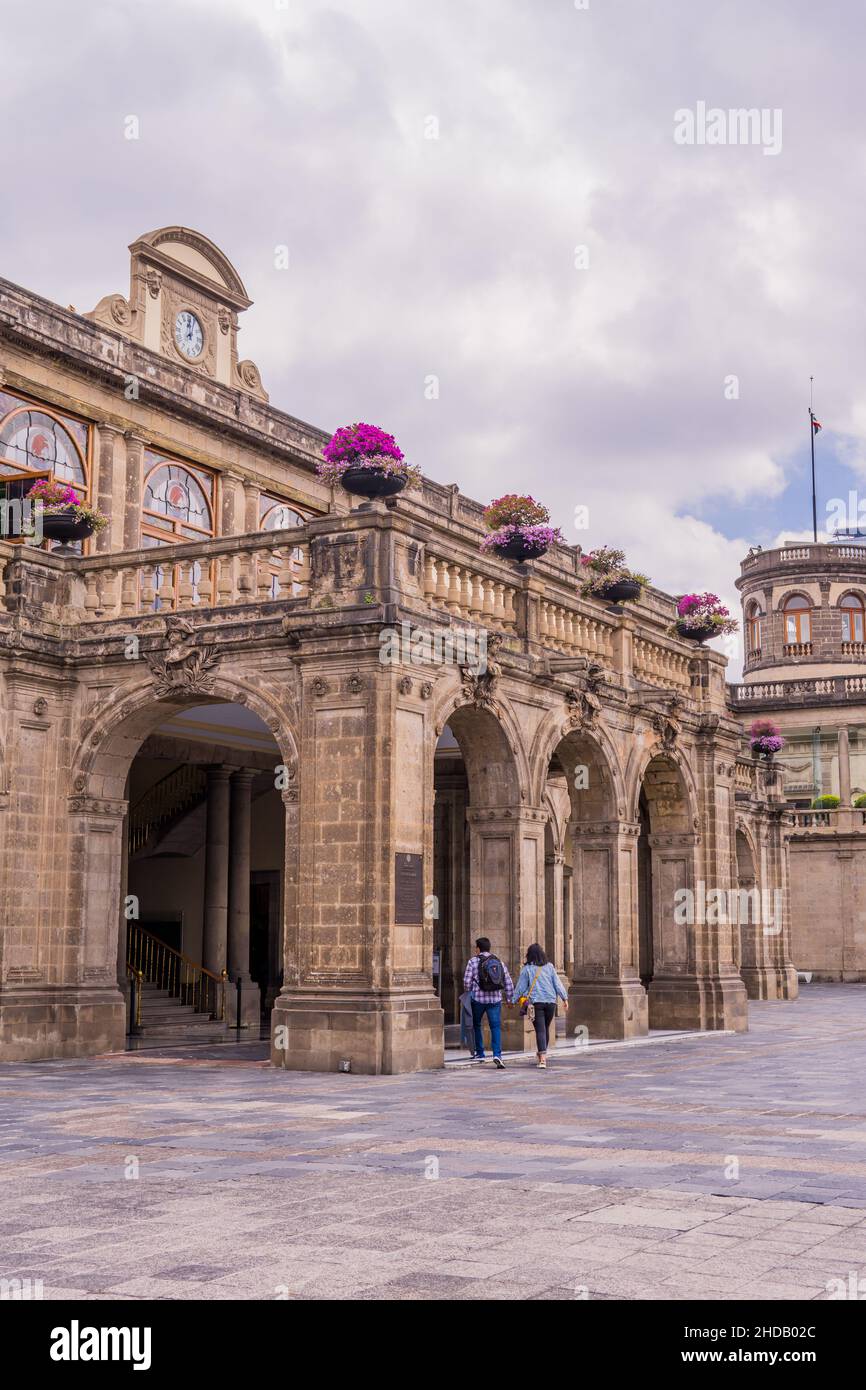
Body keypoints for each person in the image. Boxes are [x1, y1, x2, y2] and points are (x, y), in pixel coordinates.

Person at [511, 943, 568, 1068]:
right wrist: (564, 998)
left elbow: (520, 988)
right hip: (551, 1003)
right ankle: (542, 1054)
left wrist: (513, 1000)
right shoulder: (550, 967)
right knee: (545, 1029)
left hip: (537, 1003)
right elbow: (557, 984)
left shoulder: (527, 969)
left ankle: (542, 1059)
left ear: (529, 955)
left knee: (540, 1030)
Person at [463, 937, 514, 1068]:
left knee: (476, 1024)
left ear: (478, 948)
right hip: (495, 1000)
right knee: (495, 1027)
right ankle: (497, 1054)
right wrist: (509, 999)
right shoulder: (498, 961)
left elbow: (466, 982)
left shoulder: (473, 961)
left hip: (478, 999)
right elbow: (508, 981)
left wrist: (469, 992)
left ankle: (480, 1053)